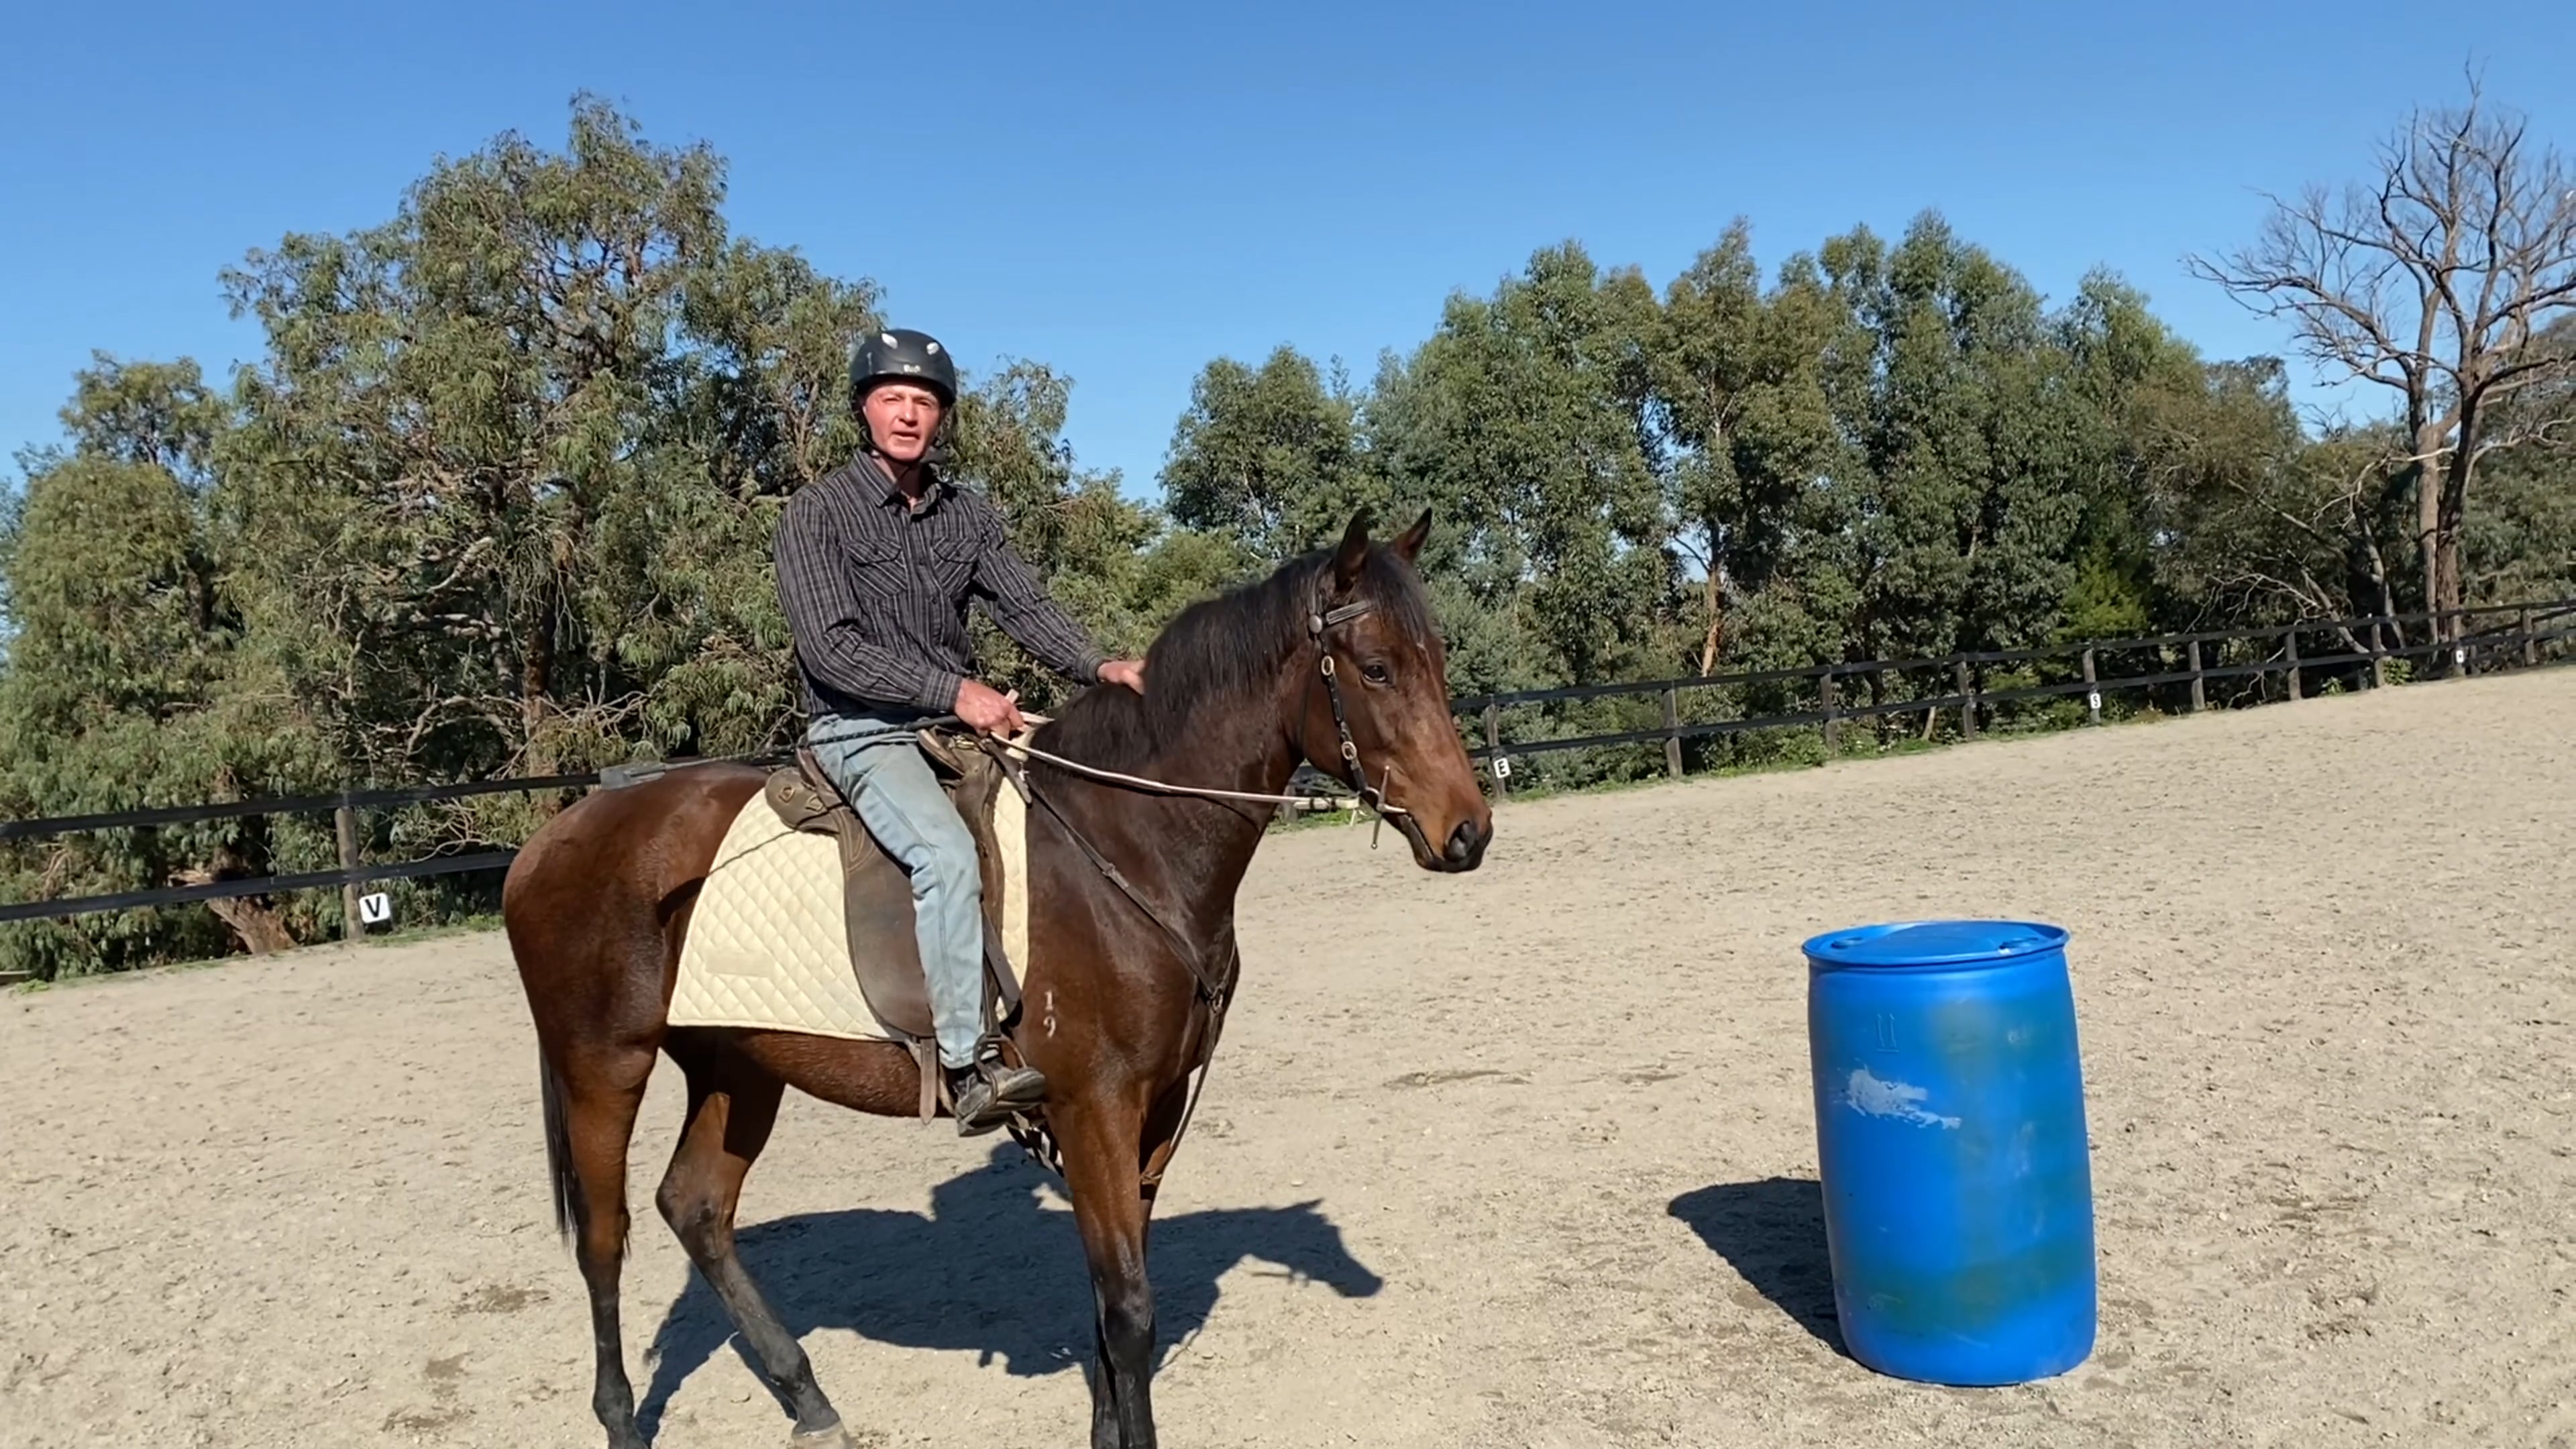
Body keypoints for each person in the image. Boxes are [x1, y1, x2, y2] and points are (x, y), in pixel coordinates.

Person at [772, 327, 1146, 1135]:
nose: (908, 414)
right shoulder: (818, 513)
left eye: (924, 401)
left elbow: (1025, 606)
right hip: (861, 730)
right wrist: (954, 689)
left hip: (953, 726)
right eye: (892, 398)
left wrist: (1099, 666)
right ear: (864, 409)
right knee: (944, 854)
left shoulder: (964, 513)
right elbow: (831, 649)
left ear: (941, 416)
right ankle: (966, 1062)